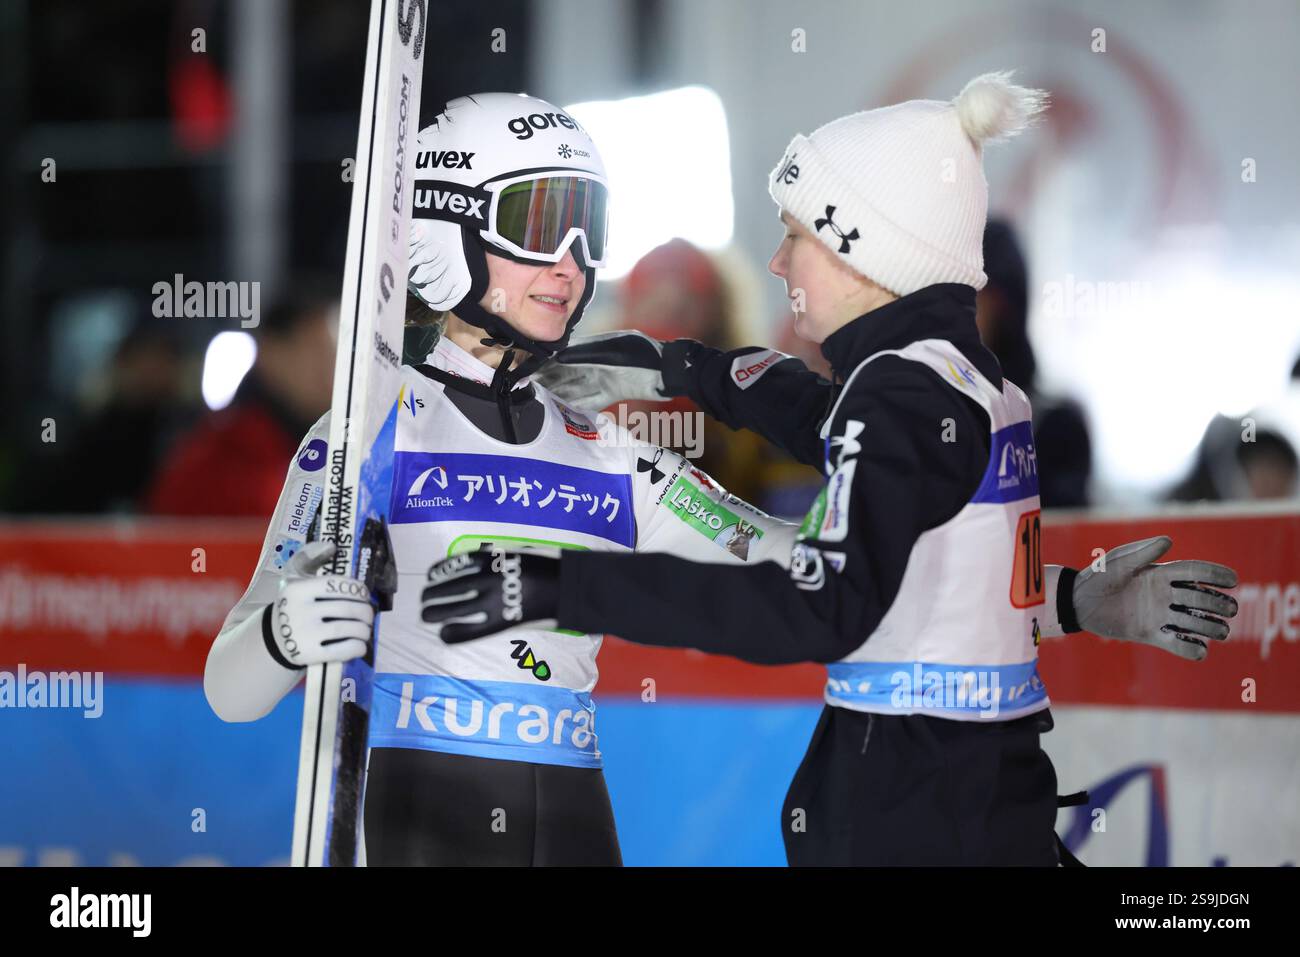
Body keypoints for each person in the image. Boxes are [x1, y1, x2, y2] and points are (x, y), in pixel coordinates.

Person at [420, 74, 1241, 866]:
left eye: (796, 235)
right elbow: (882, 490)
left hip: (914, 812)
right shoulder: (972, 381)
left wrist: (563, 586)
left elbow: (822, 606)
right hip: (980, 798)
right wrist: (1072, 597)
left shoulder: (903, 393)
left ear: (862, 250)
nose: (778, 264)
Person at [202, 93, 796, 866]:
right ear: (451, 228)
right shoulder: (368, 436)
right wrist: (284, 636)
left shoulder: (608, 451)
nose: (571, 260)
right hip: (416, 817)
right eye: (541, 222)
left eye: (591, 226)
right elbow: (228, 689)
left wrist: (872, 453)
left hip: (579, 822)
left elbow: (797, 559)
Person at [145, 284, 339, 517]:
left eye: (335, 352)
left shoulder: (342, 445)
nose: (331, 366)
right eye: (315, 349)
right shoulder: (218, 455)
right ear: (271, 352)